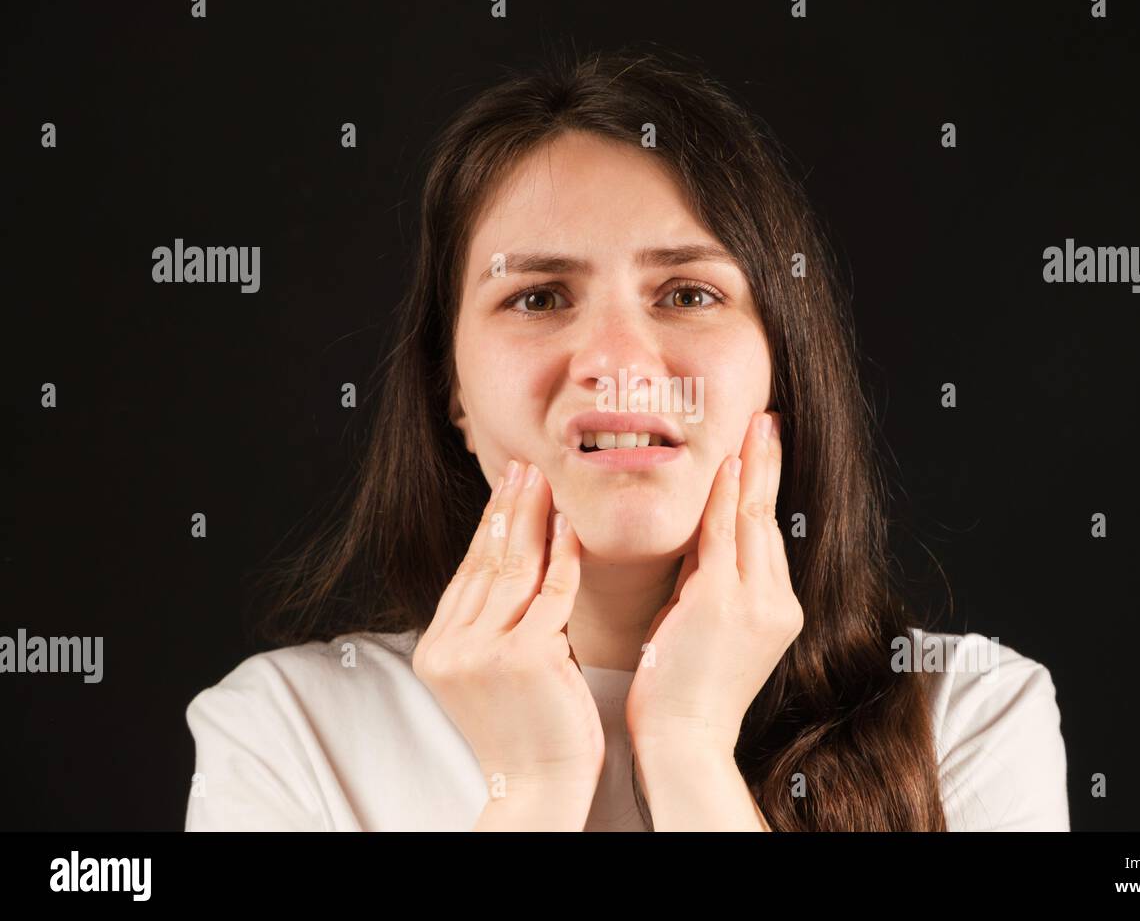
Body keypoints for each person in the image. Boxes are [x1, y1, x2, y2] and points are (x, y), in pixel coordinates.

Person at [184, 45, 1069, 832]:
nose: (615, 364)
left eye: (687, 293)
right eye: (537, 298)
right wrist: (532, 787)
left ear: (781, 368)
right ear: (449, 390)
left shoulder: (970, 719)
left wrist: (688, 754)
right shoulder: (285, 734)